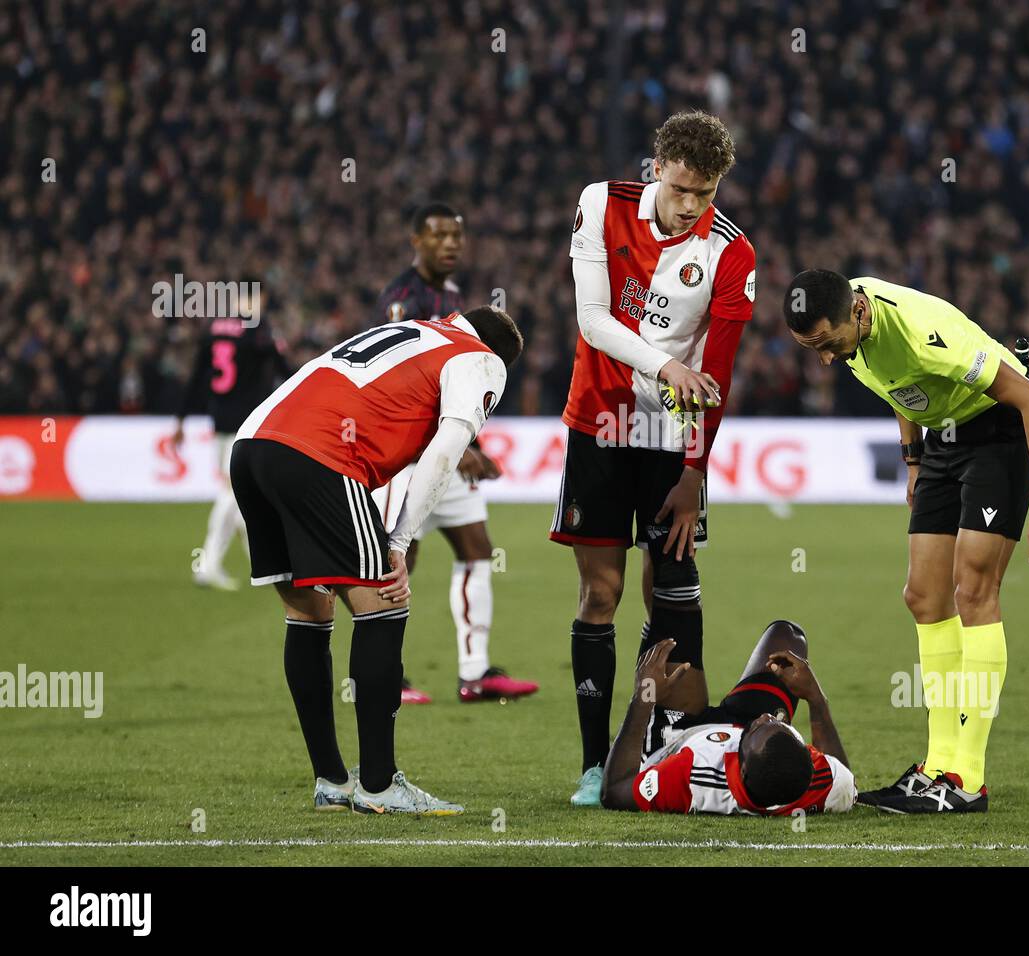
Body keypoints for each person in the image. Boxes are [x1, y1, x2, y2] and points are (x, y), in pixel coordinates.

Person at [783, 270, 1029, 813]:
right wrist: (913, 458)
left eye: (827, 344)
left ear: (858, 313)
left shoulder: (922, 331)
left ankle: (967, 779)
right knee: (923, 596)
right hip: (942, 441)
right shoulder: (851, 323)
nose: (823, 359)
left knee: (974, 590)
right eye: (810, 349)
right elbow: (899, 386)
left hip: (995, 432)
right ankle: (938, 766)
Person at [230, 306, 522, 815]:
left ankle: (331, 782)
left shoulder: (416, 330)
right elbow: (447, 448)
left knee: (308, 613)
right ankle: (381, 786)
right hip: (319, 455)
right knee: (384, 602)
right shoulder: (482, 359)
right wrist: (400, 540)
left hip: (251, 446)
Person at [554, 110, 756, 806]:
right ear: (657, 167)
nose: (690, 206)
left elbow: (718, 376)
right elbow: (592, 320)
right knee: (601, 592)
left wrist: (696, 472)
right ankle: (592, 763)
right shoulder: (599, 204)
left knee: (670, 585)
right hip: (601, 422)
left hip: (673, 435)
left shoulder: (734, 255)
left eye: (705, 194)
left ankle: (666, 741)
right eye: (679, 190)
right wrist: (668, 366)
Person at [371, 201, 538, 705]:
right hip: (411, 448)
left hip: (449, 442)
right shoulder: (402, 298)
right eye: (439, 236)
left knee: (476, 549)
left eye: (456, 237)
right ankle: (384, 675)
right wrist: (454, 443)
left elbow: (458, 378)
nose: (450, 245)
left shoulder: (452, 296)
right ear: (415, 241)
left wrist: (473, 442)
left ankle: (475, 673)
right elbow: (403, 378)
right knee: (400, 552)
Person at [600, 621, 856, 815]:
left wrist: (642, 700)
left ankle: (672, 571)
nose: (765, 717)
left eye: (760, 726)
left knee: (674, 633)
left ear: (741, 769)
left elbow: (613, 791)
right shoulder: (817, 780)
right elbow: (844, 777)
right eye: (778, 725)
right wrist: (816, 698)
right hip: (745, 734)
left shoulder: (690, 776)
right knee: (788, 636)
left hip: (680, 736)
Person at [174, 310, 290, 590]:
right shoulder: (257, 329)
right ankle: (207, 564)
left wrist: (181, 418)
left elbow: (198, 374)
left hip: (218, 419)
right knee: (233, 493)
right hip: (246, 421)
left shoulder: (214, 327)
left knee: (242, 495)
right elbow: (279, 365)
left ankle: (266, 565)